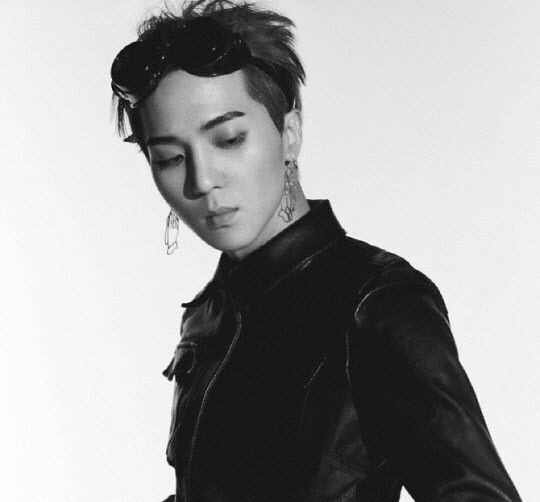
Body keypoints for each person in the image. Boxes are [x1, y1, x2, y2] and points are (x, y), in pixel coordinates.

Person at [110, 1, 522, 500]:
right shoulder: (207, 318)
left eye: (229, 139)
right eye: (170, 158)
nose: (201, 180)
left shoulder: (375, 303)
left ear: (289, 134)